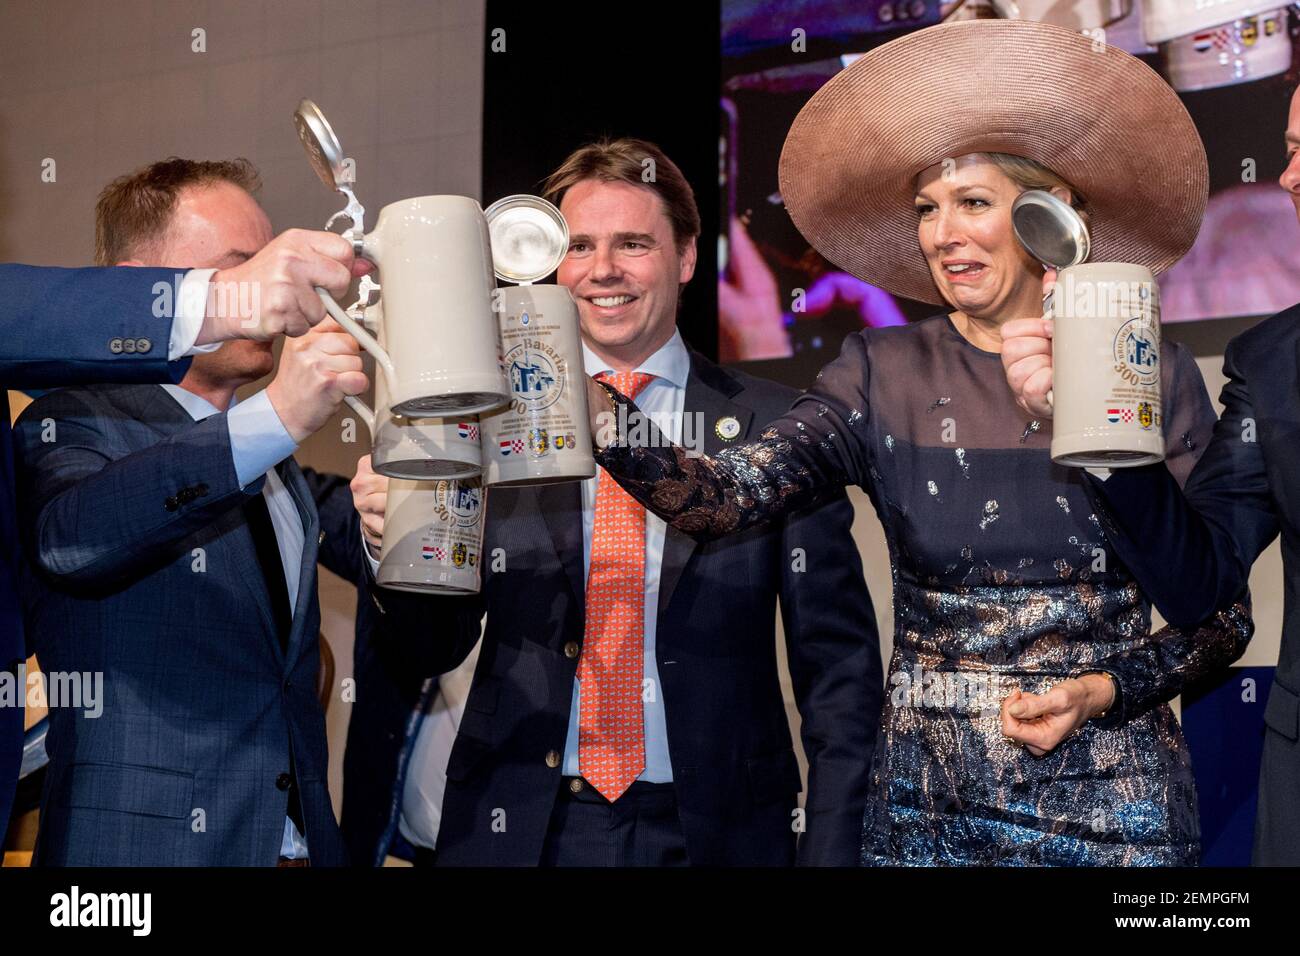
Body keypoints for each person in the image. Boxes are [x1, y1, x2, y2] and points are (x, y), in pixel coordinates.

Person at [584, 19, 1253, 865]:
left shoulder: (1148, 369)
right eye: (928, 210)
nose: (941, 234)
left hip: (1113, 813)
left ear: (1048, 214)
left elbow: (1215, 612)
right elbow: (721, 498)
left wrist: (1102, 688)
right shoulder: (880, 371)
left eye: (972, 203)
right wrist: (582, 398)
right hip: (927, 818)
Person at [342, 138, 882, 867]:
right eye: (579, 246)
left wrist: (833, 852)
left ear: (686, 257)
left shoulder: (777, 427)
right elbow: (432, 647)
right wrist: (394, 546)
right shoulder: (482, 412)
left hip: (718, 834)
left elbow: (840, 679)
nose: (602, 270)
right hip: (518, 831)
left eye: (633, 243)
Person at [12, 158, 381, 865]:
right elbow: (72, 544)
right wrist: (275, 417)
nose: (278, 295)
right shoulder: (68, 421)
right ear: (138, 290)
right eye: (243, 270)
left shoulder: (279, 466)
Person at [1000, 82, 1300, 867]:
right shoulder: (1270, 364)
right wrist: (1090, 416)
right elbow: (1203, 584)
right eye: (1290, 150)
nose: (1289, 177)